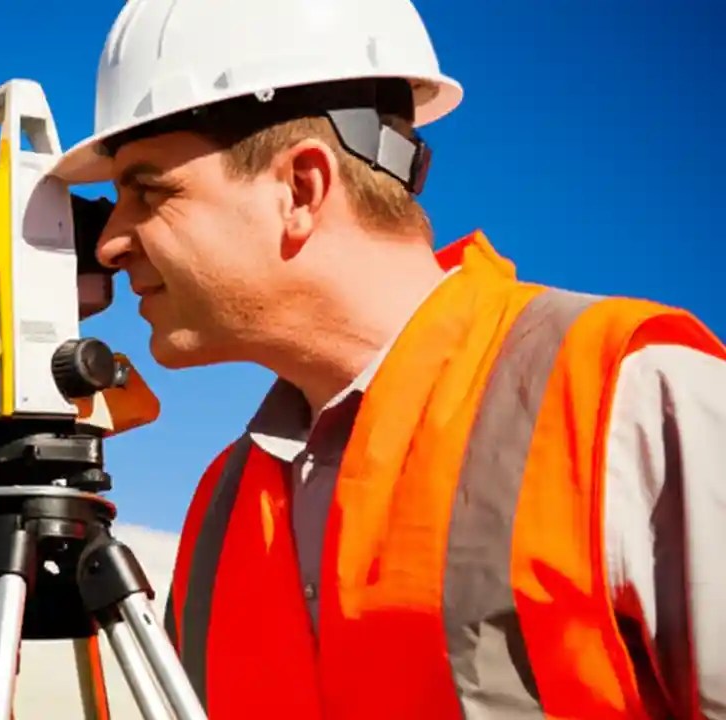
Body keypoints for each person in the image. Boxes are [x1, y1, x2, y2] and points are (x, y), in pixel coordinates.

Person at [50, 1, 725, 718]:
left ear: (300, 190)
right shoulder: (225, 506)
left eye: (148, 191)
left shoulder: (626, 401)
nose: (109, 243)